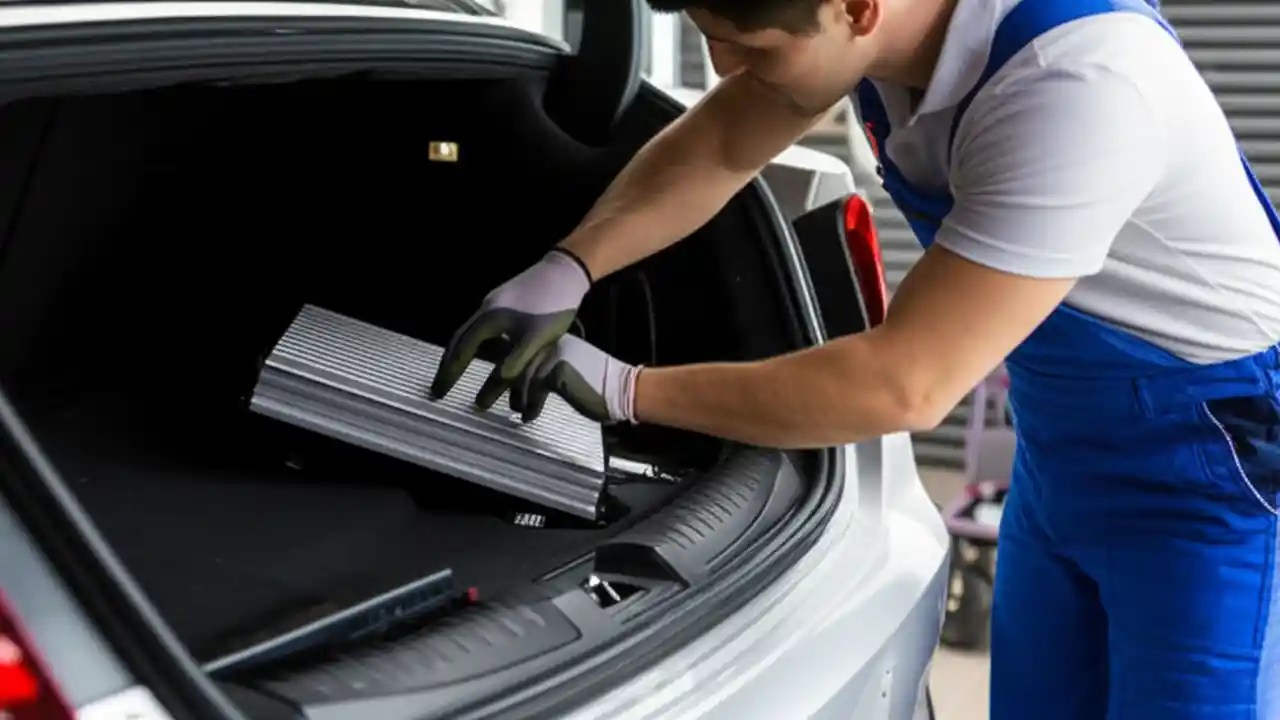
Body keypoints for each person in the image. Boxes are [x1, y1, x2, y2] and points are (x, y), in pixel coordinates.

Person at [429, 0, 1280, 716]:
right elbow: (722, 143)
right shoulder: (881, 33)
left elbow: (903, 382)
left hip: (1214, 480)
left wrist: (626, 390)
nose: (723, 66)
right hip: (1064, 457)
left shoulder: (1082, 85)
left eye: (748, 46)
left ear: (860, 9)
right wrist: (568, 267)